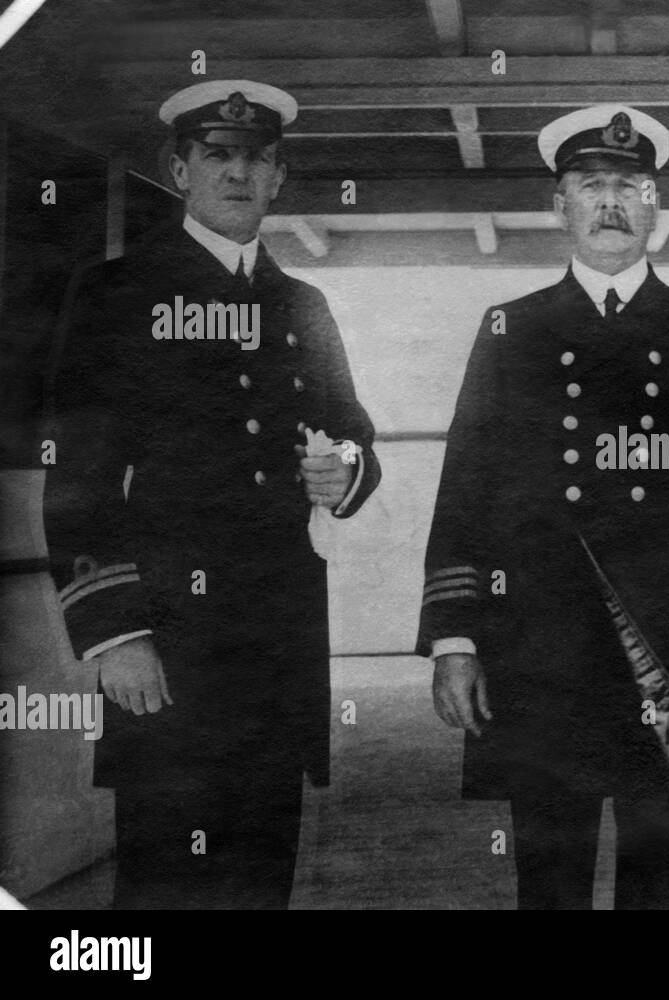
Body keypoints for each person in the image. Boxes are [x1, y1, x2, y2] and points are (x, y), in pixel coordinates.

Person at [43, 79, 381, 908]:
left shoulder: (306, 306)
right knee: (165, 888)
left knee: (262, 882)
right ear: (180, 168)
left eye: (257, 159)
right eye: (217, 155)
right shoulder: (117, 293)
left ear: (277, 179)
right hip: (167, 646)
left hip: (279, 648)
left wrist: (344, 469)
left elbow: (355, 436)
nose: (238, 172)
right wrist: (115, 631)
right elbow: (77, 474)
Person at [418, 105, 669, 909]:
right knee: (549, 880)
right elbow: (467, 485)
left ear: (654, 207)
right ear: (559, 206)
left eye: (630, 187)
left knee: (661, 880)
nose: (611, 203)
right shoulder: (511, 330)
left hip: (667, 651)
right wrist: (455, 637)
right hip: (543, 652)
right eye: (590, 185)